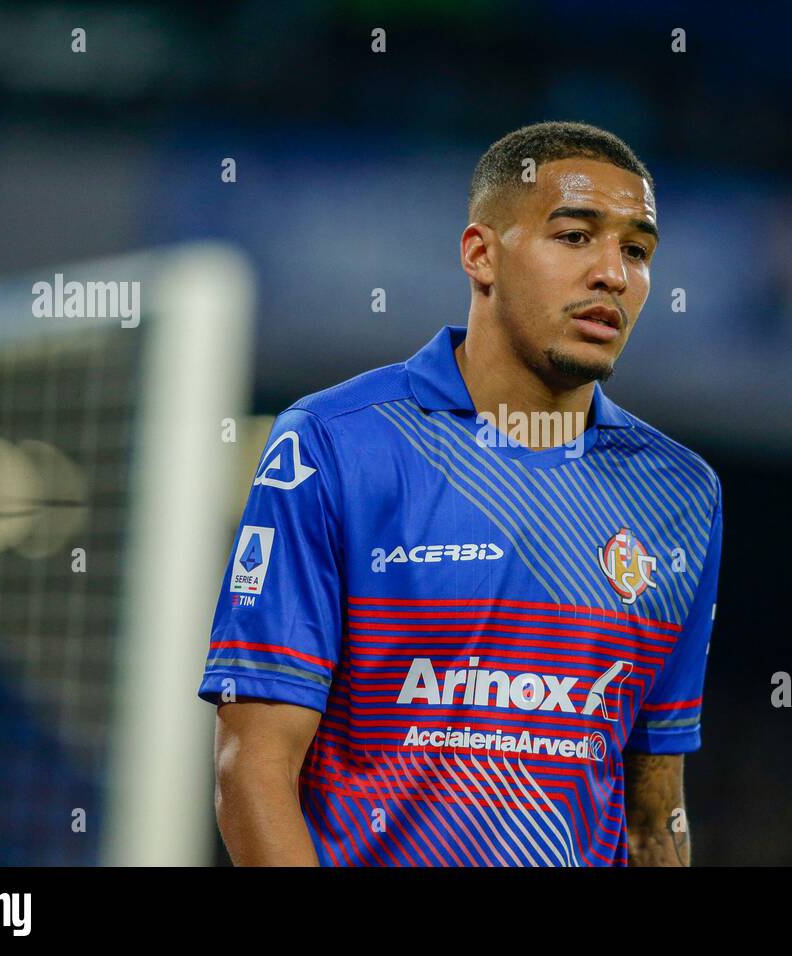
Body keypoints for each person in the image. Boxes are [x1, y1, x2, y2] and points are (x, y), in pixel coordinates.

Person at [199, 121, 723, 866]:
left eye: (636, 251)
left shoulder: (679, 493)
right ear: (481, 254)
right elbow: (252, 768)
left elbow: (653, 814)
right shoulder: (337, 443)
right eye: (576, 237)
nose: (612, 272)